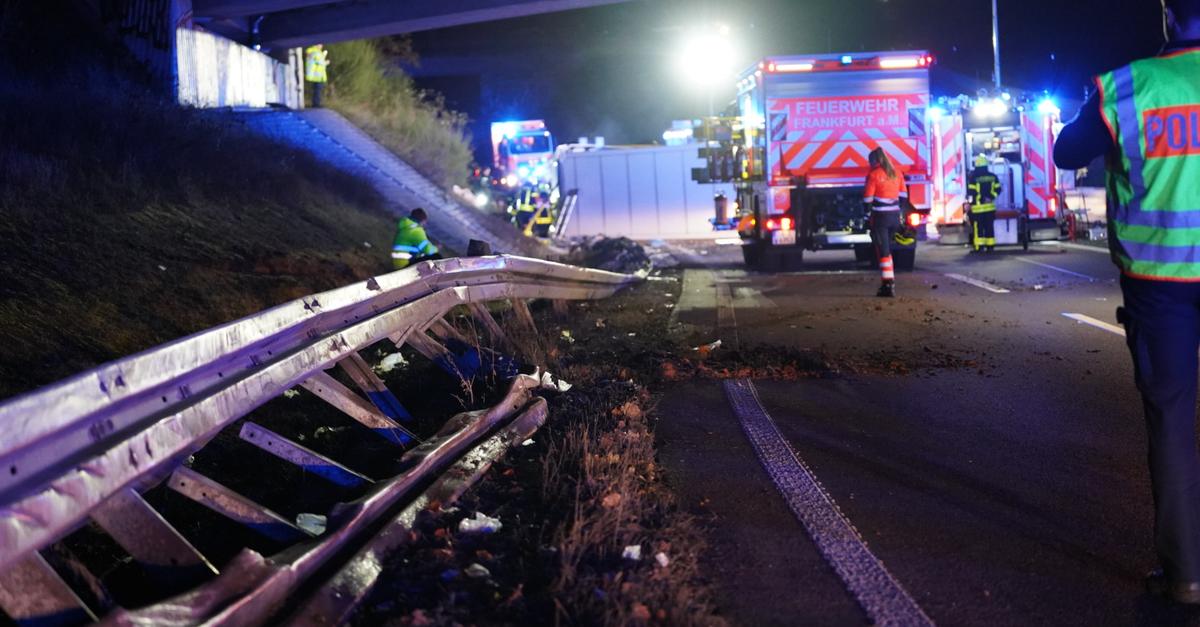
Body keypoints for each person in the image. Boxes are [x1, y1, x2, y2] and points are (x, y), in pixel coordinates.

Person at [1054, 0, 1200, 604]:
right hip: (1158, 282)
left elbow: (1067, 153)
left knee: (1171, 418)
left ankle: (1187, 573)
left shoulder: (1126, 87)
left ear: (1169, 16)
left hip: (1158, 281)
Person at [863, 147, 908, 297]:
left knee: (883, 252)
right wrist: (899, 214)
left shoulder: (873, 175)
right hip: (894, 217)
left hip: (880, 218)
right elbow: (903, 197)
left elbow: (868, 199)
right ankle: (888, 282)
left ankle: (888, 285)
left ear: (874, 161)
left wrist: (866, 217)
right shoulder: (897, 173)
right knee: (886, 251)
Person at [966, 154, 1002, 252]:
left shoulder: (973, 178)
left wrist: (970, 204)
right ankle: (990, 247)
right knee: (989, 227)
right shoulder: (993, 176)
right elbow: (998, 189)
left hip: (978, 208)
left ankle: (979, 247)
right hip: (990, 208)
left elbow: (971, 192)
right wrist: (990, 197)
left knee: (978, 228)